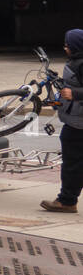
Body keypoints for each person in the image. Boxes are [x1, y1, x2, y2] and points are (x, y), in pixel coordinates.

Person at [42, 28, 83, 214]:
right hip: (75, 120)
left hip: (78, 124)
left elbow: (75, 91)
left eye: (68, 44)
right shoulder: (76, 61)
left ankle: (67, 201)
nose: (65, 47)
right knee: (74, 163)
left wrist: (74, 94)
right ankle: (67, 199)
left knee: (73, 163)